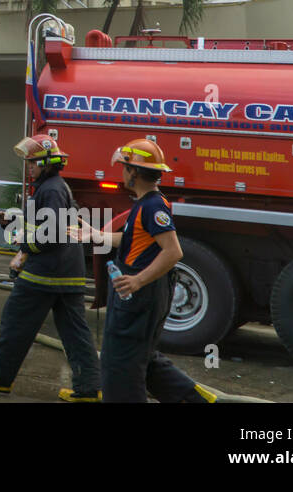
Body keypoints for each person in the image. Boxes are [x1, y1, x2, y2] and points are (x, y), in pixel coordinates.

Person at [79, 138, 217, 403]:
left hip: (139, 298)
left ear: (134, 172)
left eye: (124, 167)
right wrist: (96, 235)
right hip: (143, 297)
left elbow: (173, 251)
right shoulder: (146, 204)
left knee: (120, 367)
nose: (121, 173)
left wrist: (137, 281)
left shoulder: (152, 206)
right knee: (143, 358)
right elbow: (134, 241)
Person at [0, 136, 101, 401]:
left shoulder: (50, 190)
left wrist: (24, 252)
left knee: (16, 322)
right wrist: (25, 249)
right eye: (27, 162)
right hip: (66, 272)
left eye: (32, 162)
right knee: (75, 333)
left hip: (46, 274)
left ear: (46, 163)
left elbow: (50, 234)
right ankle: (90, 388)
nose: (28, 167)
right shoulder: (55, 186)